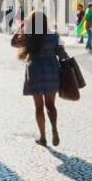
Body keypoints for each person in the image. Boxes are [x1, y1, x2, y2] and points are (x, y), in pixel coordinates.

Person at [14, 10, 68, 146]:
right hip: (52, 72)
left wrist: (21, 27)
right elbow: (62, 54)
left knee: (39, 107)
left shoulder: (29, 35)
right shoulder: (54, 36)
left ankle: (43, 137)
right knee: (51, 105)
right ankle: (54, 129)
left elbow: (14, 43)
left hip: (35, 72)